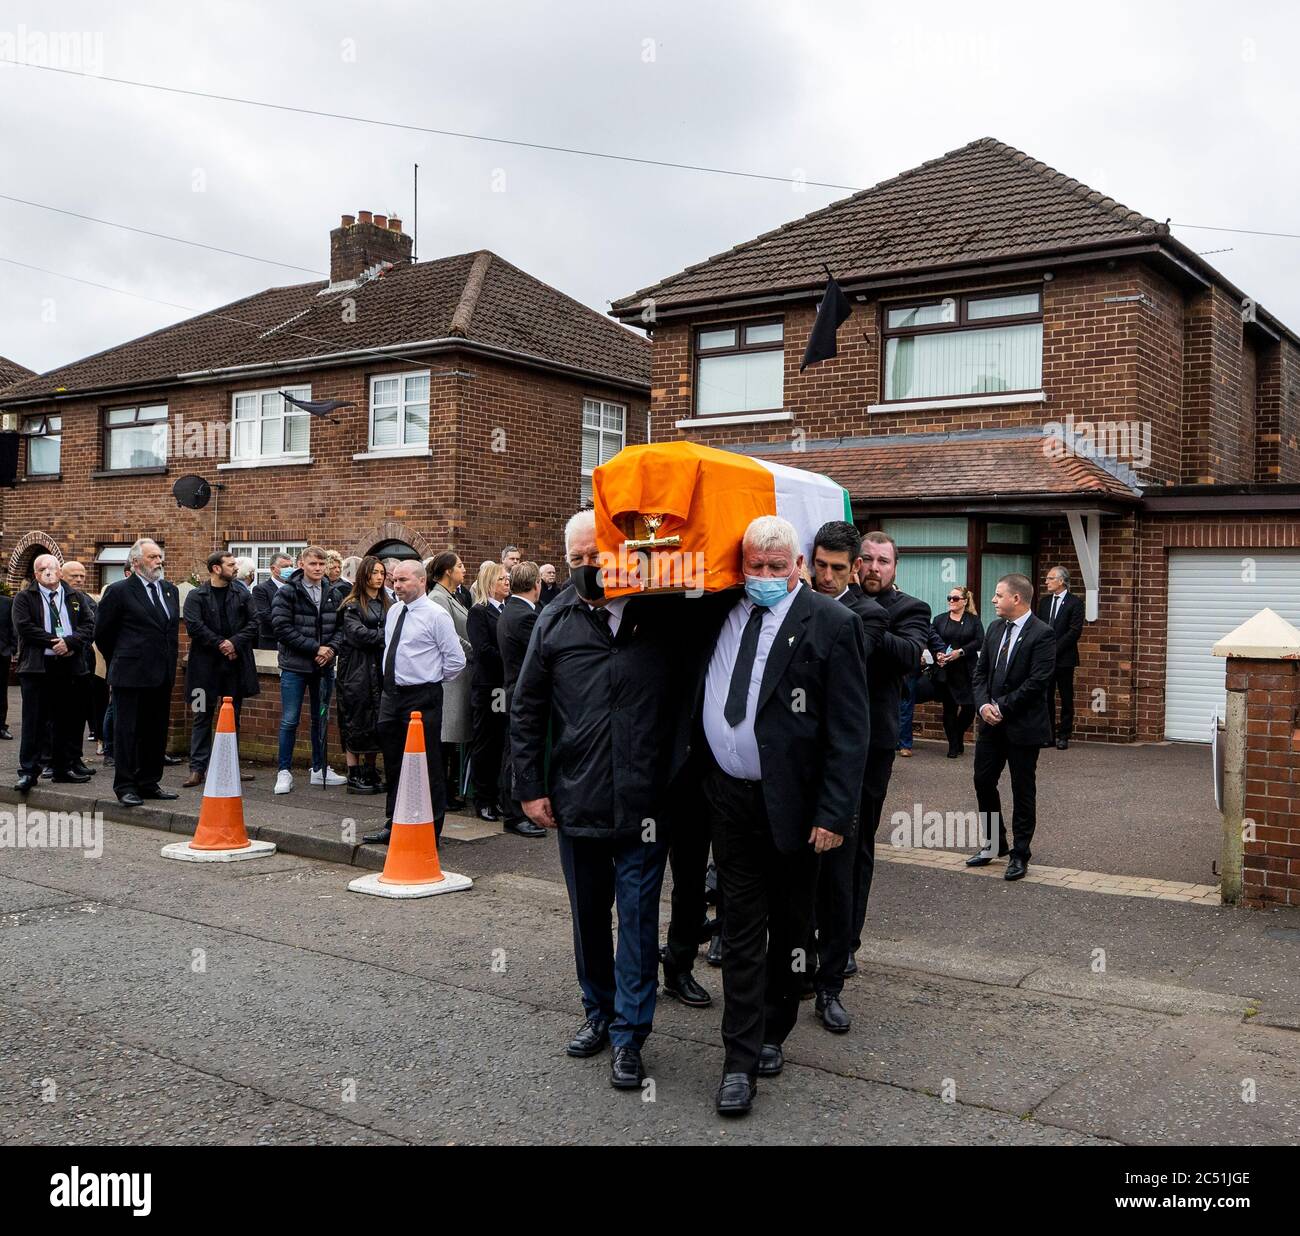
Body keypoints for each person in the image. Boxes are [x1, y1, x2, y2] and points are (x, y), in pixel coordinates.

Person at [511, 510, 699, 1094]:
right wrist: (529, 787)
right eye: (577, 559)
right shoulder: (555, 621)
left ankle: (629, 1036)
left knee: (638, 920)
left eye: (597, 555)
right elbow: (526, 709)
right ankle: (597, 1011)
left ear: (620, 553)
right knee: (589, 916)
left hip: (646, 800)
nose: (589, 567)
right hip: (578, 797)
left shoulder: (663, 614)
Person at [698, 516, 869, 1117]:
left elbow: (850, 732)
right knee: (740, 929)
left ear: (797, 566)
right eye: (755, 566)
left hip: (797, 811)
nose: (765, 577)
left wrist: (834, 814)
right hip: (731, 801)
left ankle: (776, 1027)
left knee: (792, 930)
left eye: (777, 567)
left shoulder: (833, 624)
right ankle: (738, 1059)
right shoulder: (719, 611)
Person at [803, 520, 887, 1032]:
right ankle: (799, 973)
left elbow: (852, 717)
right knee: (797, 884)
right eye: (820, 565)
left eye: (838, 568)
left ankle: (830, 984)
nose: (828, 576)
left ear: (855, 568)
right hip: (794, 770)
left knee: (838, 880)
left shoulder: (864, 616)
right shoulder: (792, 608)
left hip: (842, 770)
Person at [850, 531, 930, 967]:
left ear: (895, 568)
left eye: (883, 561)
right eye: (867, 559)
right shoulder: (836, 600)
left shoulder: (910, 609)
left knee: (859, 841)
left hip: (872, 745)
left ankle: (847, 943)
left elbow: (907, 655)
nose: (875, 568)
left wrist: (865, 617)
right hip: (825, 741)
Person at [361, 559, 466, 844]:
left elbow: (456, 660)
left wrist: (430, 678)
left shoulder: (436, 615)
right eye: (395, 580)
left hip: (423, 695)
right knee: (394, 762)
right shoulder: (395, 611)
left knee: (427, 763)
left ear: (422, 581)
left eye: (403, 580)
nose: (397, 585)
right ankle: (394, 822)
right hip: (391, 695)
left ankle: (430, 830)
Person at [968, 574, 1056, 881]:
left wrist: (1002, 706)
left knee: (1022, 789)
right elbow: (979, 674)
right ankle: (994, 844)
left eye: (998, 595)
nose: (993, 600)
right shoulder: (994, 629)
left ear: (1016, 599)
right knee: (982, 780)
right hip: (990, 725)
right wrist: (983, 706)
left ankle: (1020, 854)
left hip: (1023, 727)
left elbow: (1038, 682)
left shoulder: (1042, 634)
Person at [93, 539, 181, 807]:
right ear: (136, 562)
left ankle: (149, 781)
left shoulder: (169, 590)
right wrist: (121, 659)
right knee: (128, 732)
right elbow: (103, 633)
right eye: (153, 556)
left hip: (161, 674)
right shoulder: (120, 591)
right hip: (130, 674)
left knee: (155, 731)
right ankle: (126, 785)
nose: (159, 561)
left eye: (160, 556)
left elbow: (169, 632)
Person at [12, 555, 97, 791]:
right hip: (38, 668)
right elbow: (25, 627)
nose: (47, 572)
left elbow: (89, 625)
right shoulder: (24, 598)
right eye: (42, 569)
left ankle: (62, 768)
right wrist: (53, 642)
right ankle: (29, 771)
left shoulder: (75, 597)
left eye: (51, 568)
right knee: (34, 722)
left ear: (60, 572)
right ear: (36, 574)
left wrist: (69, 643)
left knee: (66, 720)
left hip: (68, 667)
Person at [271, 546, 345, 794]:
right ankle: (284, 771)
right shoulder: (288, 592)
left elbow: (341, 628)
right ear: (302, 564)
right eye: (313, 564)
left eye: (321, 565)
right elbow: (281, 627)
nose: (318, 569)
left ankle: (319, 768)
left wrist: (330, 650)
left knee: (321, 719)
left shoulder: (333, 592)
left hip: (324, 667)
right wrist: (316, 648)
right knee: (290, 720)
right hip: (295, 666)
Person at [182, 551, 260, 787]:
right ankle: (198, 769)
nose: (235, 568)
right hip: (202, 668)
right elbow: (194, 626)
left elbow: (255, 622)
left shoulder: (242, 593)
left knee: (232, 717)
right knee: (201, 716)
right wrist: (221, 644)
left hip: (234, 666)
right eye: (230, 564)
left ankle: (230, 767)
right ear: (216, 568)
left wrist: (233, 643)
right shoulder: (197, 596)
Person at [497, 561, 546, 838]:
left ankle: (513, 811)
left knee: (512, 753)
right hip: (520, 694)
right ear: (536, 584)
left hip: (511, 691)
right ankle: (515, 814)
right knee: (517, 756)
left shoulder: (510, 610)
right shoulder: (524, 616)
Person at [336, 555, 390, 794]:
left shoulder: (388, 603)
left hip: (380, 668)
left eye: (381, 573)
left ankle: (370, 769)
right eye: (374, 573)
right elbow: (357, 634)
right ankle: (353, 772)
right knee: (355, 718)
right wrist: (384, 638)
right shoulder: (352, 604)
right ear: (364, 575)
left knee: (377, 720)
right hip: (356, 670)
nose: (378, 577)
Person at [427, 552, 473, 813]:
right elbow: (450, 637)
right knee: (445, 738)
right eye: (459, 566)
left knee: (452, 738)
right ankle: (442, 793)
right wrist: (473, 650)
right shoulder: (438, 598)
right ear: (447, 571)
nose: (464, 569)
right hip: (451, 677)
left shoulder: (452, 596)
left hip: (461, 676)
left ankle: (449, 790)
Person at [465, 562, 508, 821]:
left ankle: (497, 796)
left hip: (503, 686)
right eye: (502, 578)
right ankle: (483, 800)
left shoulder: (506, 610)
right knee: (486, 743)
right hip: (487, 687)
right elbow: (482, 650)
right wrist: (510, 659)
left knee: (501, 743)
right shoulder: (479, 612)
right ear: (490, 582)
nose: (507, 582)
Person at [932, 585, 984, 757]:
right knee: (949, 709)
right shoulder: (939, 619)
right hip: (947, 671)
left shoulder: (973, 620)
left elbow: (979, 641)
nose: (951, 601)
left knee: (969, 708)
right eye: (949, 598)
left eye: (955, 598)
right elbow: (932, 639)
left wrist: (961, 652)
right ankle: (953, 745)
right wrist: (937, 654)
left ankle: (958, 735)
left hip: (967, 670)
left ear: (964, 601)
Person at [58, 560, 100, 764]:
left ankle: (75, 758)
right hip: (55, 663)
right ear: (61, 575)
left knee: (78, 714)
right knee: (55, 716)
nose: (79, 579)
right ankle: (51, 760)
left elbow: (92, 627)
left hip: (82, 663)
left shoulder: (86, 601)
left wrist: (72, 644)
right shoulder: (55, 598)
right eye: (74, 575)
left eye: (82, 576)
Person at [1038, 565, 1085, 750]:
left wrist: (1054, 649)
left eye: (1050, 578)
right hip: (1045, 659)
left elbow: (1074, 631)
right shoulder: (1044, 602)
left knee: (1066, 697)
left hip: (1065, 658)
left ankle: (1064, 734)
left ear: (1061, 581)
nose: (1047, 582)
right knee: (1046, 696)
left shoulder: (1075, 603)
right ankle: (1048, 735)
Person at [252, 552, 293, 651]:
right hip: (271, 642)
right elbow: (265, 615)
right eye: (285, 566)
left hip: (293, 642)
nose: (289, 569)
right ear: (273, 569)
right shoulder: (261, 589)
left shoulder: (295, 588)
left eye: (291, 566)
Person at [0, 582, 14, 740]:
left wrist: (12, 649)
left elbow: (13, 628)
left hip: (1, 654)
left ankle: (1, 726)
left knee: (2, 692)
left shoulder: (6, 603)